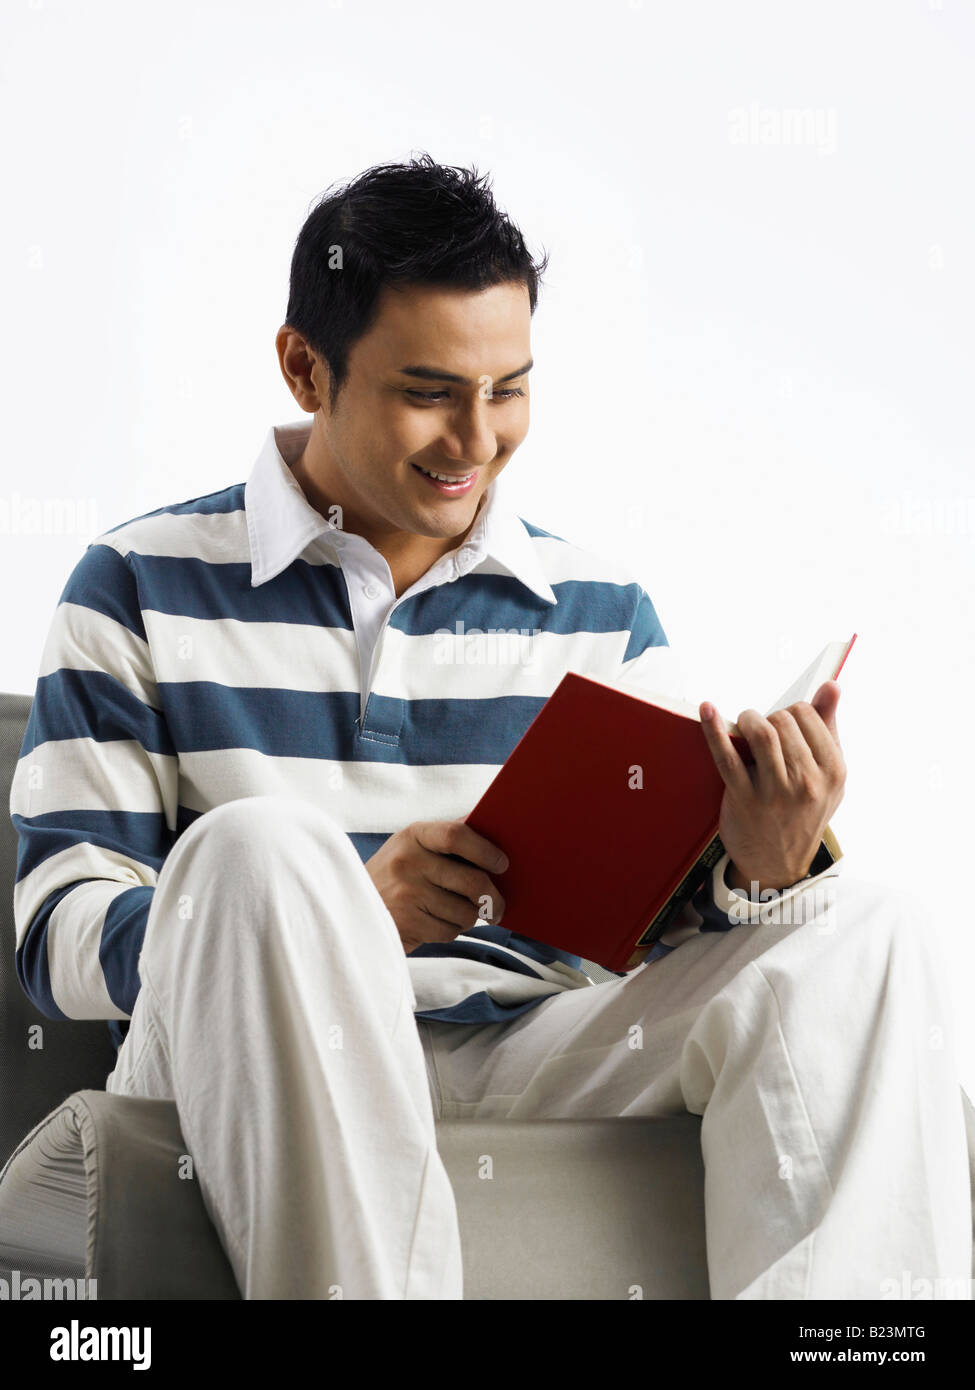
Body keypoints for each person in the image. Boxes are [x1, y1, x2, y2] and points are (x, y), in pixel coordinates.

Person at [9, 154, 971, 1301]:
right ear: (304, 366)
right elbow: (56, 932)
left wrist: (760, 867)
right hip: (252, 1063)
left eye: (507, 387)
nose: (477, 440)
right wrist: (348, 913)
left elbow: (656, 929)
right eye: (428, 390)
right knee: (261, 849)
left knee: (871, 928)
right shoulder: (136, 580)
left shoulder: (597, 606)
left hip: (534, 1051)